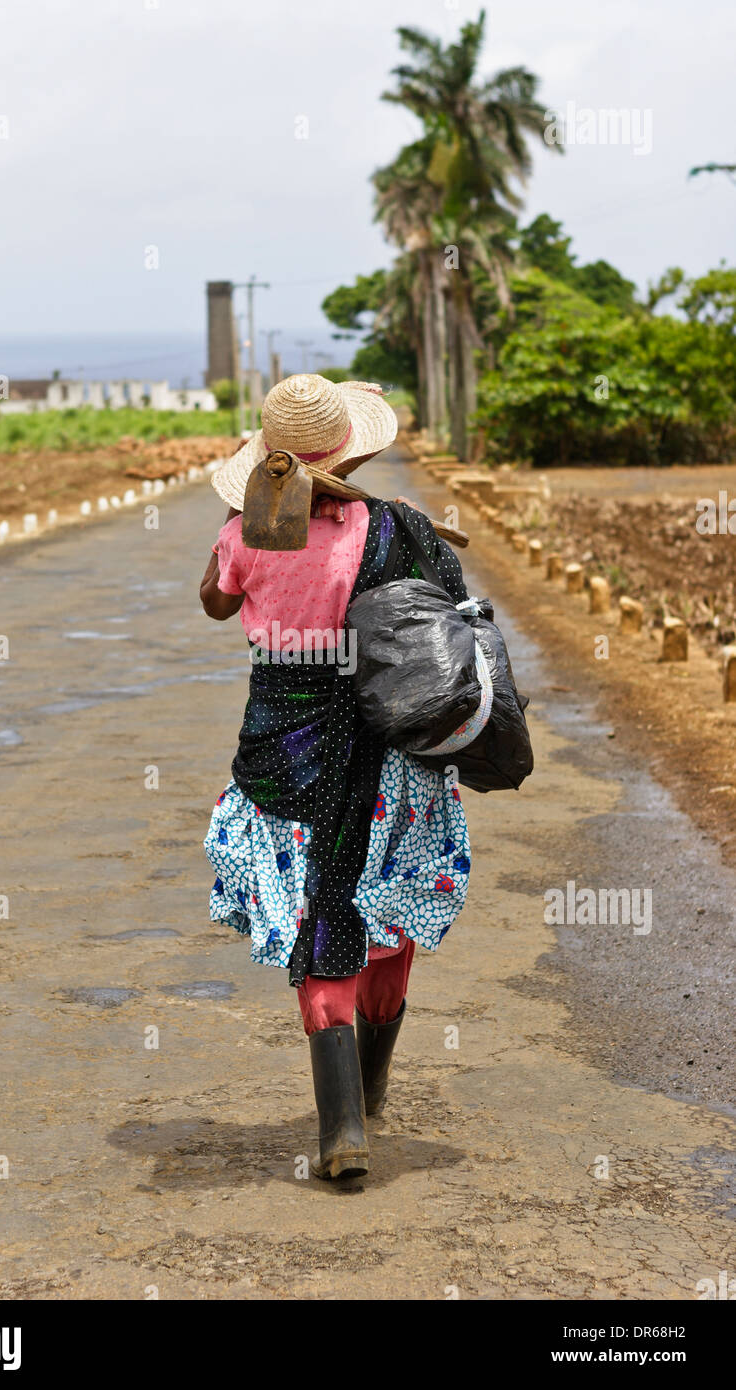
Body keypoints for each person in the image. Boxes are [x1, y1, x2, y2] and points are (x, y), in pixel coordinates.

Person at [201, 373, 471, 1180]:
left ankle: (343, 1128)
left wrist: (239, 527)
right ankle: (373, 1084)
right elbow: (455, 616)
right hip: (394, 745)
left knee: (317, 904)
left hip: (288, 748)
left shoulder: (249, 534)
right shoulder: (400, 528)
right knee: (383, 895)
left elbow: (216, 604)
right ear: (350, 456)